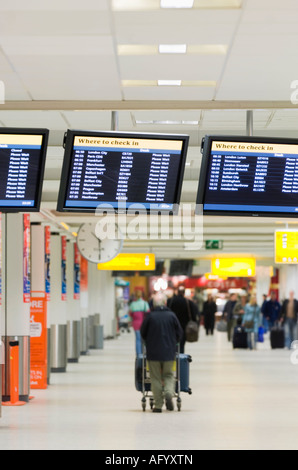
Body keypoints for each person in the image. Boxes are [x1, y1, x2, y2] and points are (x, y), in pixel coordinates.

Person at [140, 292, 183, 413]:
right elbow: (179, 333)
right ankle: (169, 393)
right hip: (169, 351)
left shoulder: (150, 316)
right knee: (168, 375)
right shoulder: (172, 316)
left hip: (153, 352)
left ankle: (158, 405)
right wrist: (174, 341)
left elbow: (143, 333)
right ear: (165, 303)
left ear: (153, 304)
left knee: (155, 377)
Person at [167, 286, 198, 353]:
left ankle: (173, 355)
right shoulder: (188, 302)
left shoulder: (170, 301)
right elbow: (193, 315)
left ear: (177, 292)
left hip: (172, 326)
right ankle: (180, 357)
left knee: (172, 342)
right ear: (184, 293)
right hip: (183, 326)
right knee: (182, 343)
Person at [129, 289, 150, 356]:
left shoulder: (133, 304)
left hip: (136, 324)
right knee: (143, 339)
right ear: (141, 295)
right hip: (143, 324)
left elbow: (130, 314)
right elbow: (148, 314)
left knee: (138, 339)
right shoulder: (145, 303)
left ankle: (138, 354)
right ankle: (144, 353)